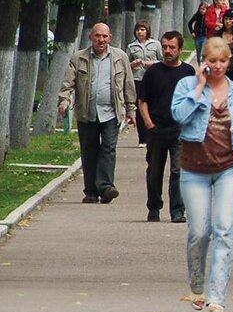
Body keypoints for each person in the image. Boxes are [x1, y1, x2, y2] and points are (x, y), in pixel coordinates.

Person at [170, 36, 233, 312]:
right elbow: (178, 116)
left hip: (228, 167)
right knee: (199, 232)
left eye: (223, 61)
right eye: (212, 61)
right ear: (204, 62)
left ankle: (217, 298)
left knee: (224, 230)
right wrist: (200, 87)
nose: (218, 66)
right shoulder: (186, 85)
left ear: (229, 62)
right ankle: (197, 284)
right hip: (194, 170)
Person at [58, 23, 136, 204]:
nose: (101, 40)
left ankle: (106, 187)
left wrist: (131, 110)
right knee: (89, 150)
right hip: (87, 113)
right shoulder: (79, 58)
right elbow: (68, 84)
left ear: (110, 37)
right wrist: (64, 101)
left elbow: (128, 85)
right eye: (98, 36)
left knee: (108, 149)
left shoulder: (120, 57)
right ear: (91, 37)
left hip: (111, 113)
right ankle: (91, 191)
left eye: (105, 36)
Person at [139, 31, 195, 223]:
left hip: (180, 129)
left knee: (178, 171)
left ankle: (178, 210)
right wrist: (148, 123)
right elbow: (142, 100)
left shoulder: (188, 72)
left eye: (172, 47)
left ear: (180, 49)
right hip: (157, 128)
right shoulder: (153, 72)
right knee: (155, 170)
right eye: (164, 47)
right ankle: (154, 207)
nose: (168, 51)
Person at [127, 21, 162, 147]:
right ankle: (142, 138)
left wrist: (153, 63)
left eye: (142, 29)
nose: (140, 32)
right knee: (140, 108)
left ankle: (154, 134)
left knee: (153, 107)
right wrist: (133, 64)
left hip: (153, 78)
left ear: (147, 31)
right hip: (138, 80)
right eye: (138, 30)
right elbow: (126, 65)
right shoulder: (131, 47)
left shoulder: (156, 44)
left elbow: (163, 60)